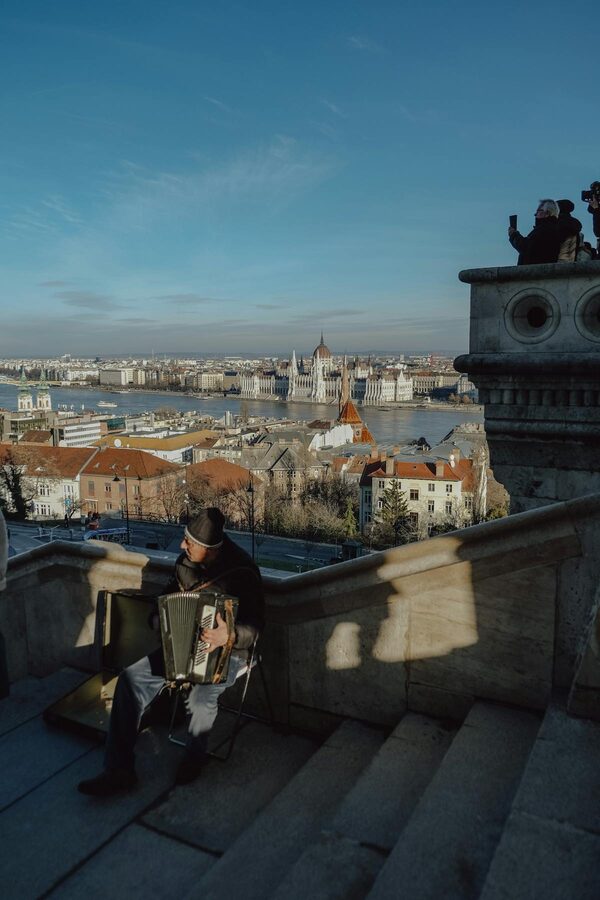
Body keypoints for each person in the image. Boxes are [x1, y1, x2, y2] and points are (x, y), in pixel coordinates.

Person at [78, 507, 264, 797]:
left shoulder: (243, 572)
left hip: (227, 652)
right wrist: (156, 616)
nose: (181, 546)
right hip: (179, 649)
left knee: (201, 699)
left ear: (208, 549)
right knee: (130, 680)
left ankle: (194, 757)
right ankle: (119, 769)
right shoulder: (184, 563)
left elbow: (256, 625)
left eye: (189, 542)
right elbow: (166, 595)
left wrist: (229, 635)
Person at [508, 199, 561, 265]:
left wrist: (514, 235)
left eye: (538, 211)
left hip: (535, 271)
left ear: (547, 213)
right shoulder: (551, 228)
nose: (535, 214)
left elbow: (526, 248)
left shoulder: (544, 229)